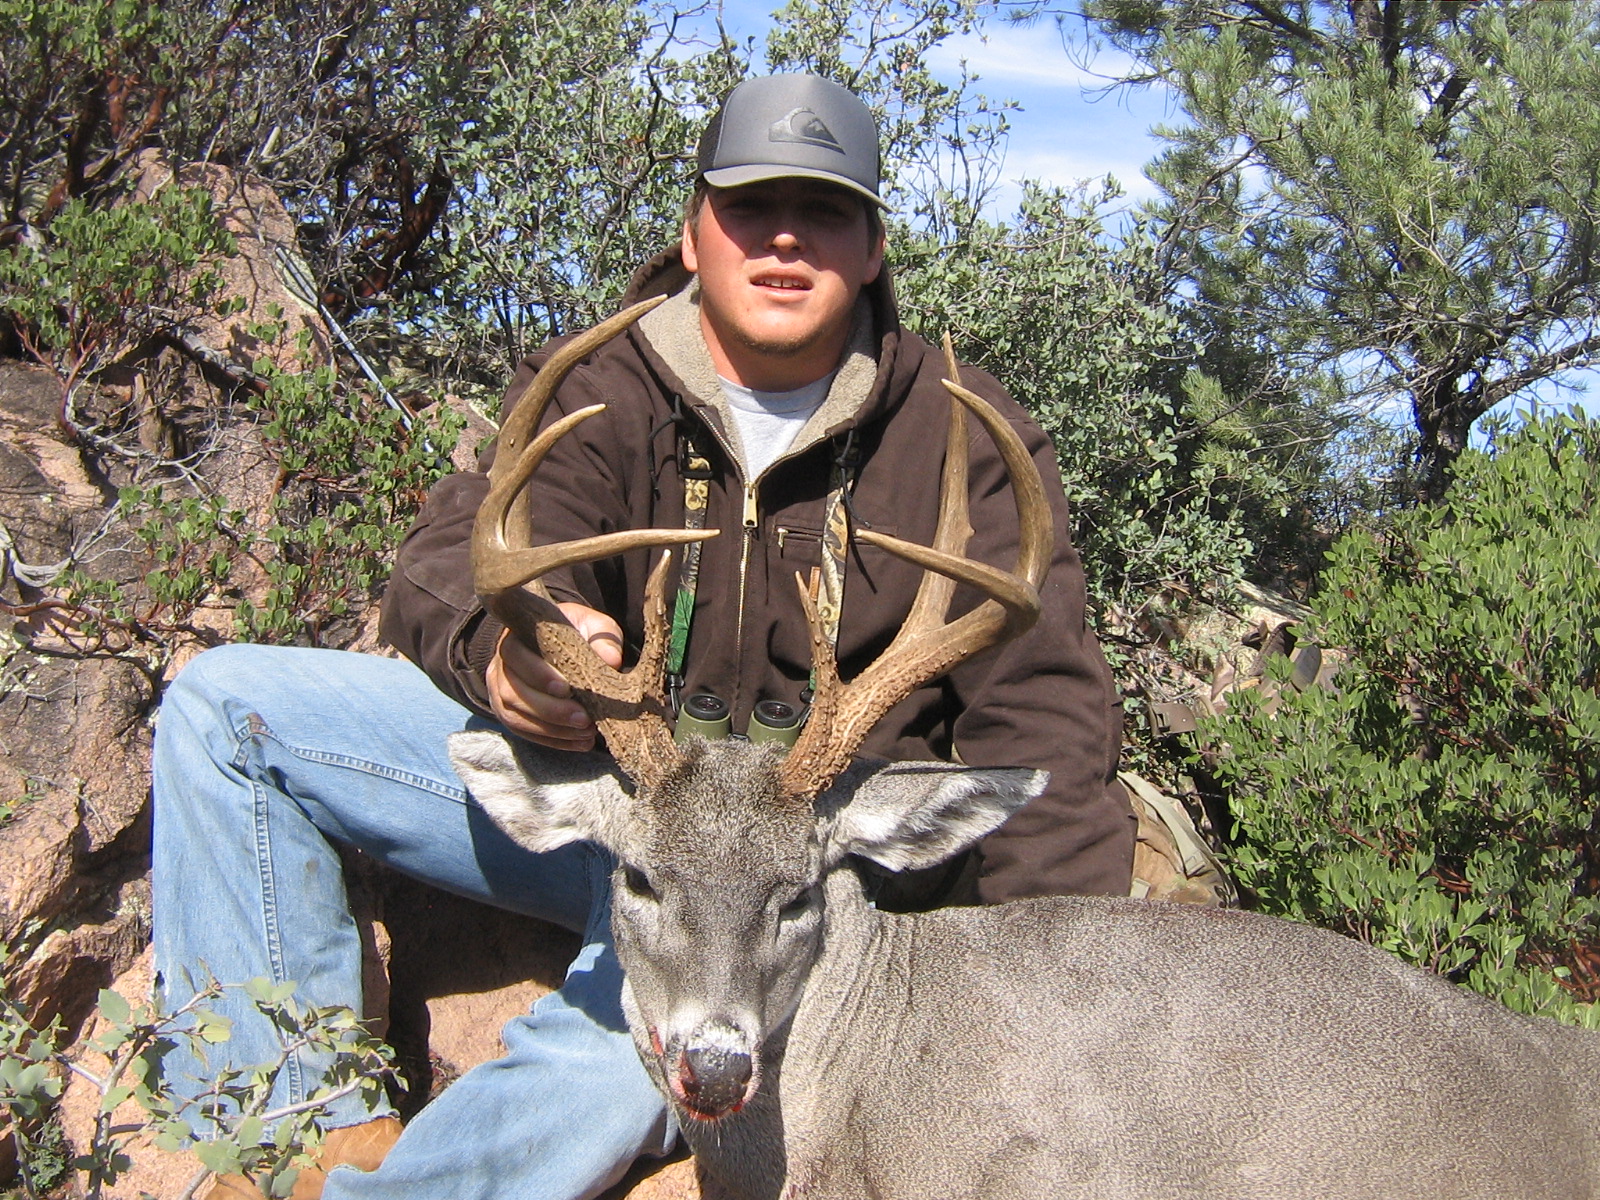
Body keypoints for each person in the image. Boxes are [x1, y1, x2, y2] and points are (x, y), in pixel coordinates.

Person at [151, 73, 1135, 1200]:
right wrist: (509, 655)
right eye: (748, 206)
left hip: (790, 884)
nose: (782, 240)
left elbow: (1046, 718)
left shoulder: (959, 430)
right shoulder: (605, 380)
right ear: (690, 231)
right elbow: (449, 553)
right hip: (602, 804)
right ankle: (279, 1138)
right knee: (224, 710)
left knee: (647, 1067)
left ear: (870, 249)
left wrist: (1060, 992)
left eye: (822, 213)